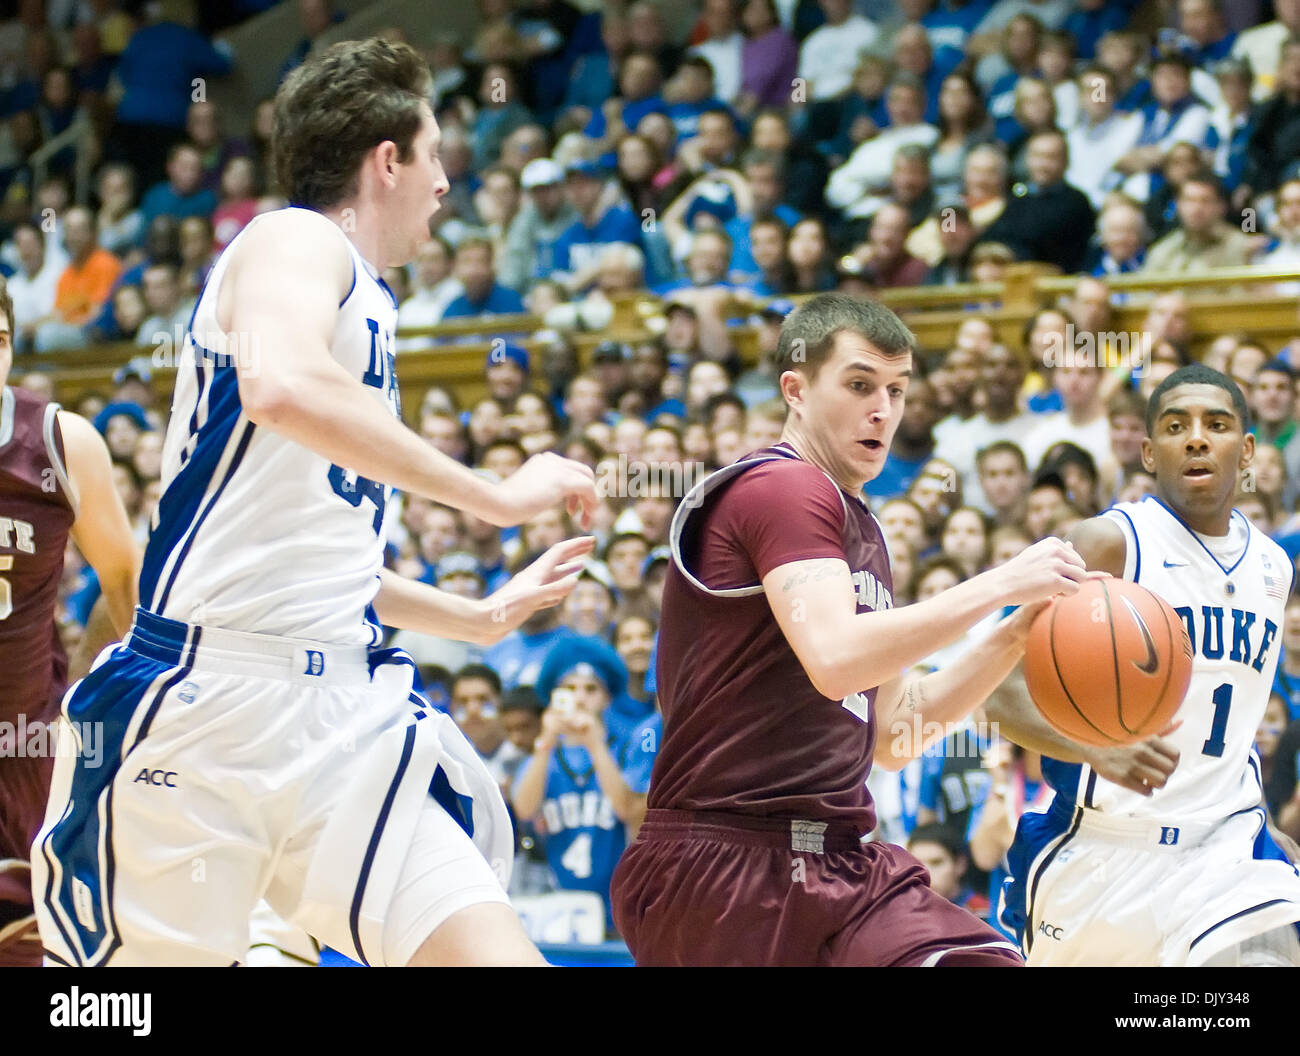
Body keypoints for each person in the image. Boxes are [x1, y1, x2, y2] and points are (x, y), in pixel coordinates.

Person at [32, 38, 600, 969]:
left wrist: (476, 616)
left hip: (345, 712)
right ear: (388, 162)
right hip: (208, 705)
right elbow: (280, 385)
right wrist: (496, 498)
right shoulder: (294, 238)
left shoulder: (365, 302)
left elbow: (313, 555)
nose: (448, 183)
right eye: (436, 155)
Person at [610, 293, 1088, 967]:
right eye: (861, 385)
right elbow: (835, 659)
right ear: (795, 390)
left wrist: (1011, 636)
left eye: (897, 390)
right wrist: (1001, 583)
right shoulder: (781, 488)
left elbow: (894, 735)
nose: (882, 410)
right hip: (725, 864)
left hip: (840, 863)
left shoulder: (860, 525)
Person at [993, 364, 1300, 967]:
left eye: (1216, 424)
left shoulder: (1273, 567)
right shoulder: (1109, 544)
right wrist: (1092, 749)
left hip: (1226, 852)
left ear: (1246, 451)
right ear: (1148, 453)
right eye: (1175, 425)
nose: (1195, 437)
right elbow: (993, 690)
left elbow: (1235, 721)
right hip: (1101, 855)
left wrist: (1254, 813)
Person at [0, 280, 140, 967]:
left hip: (28, 741)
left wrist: (91, 695)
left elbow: (126, 584)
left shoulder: (60, 443)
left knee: (39, 950)